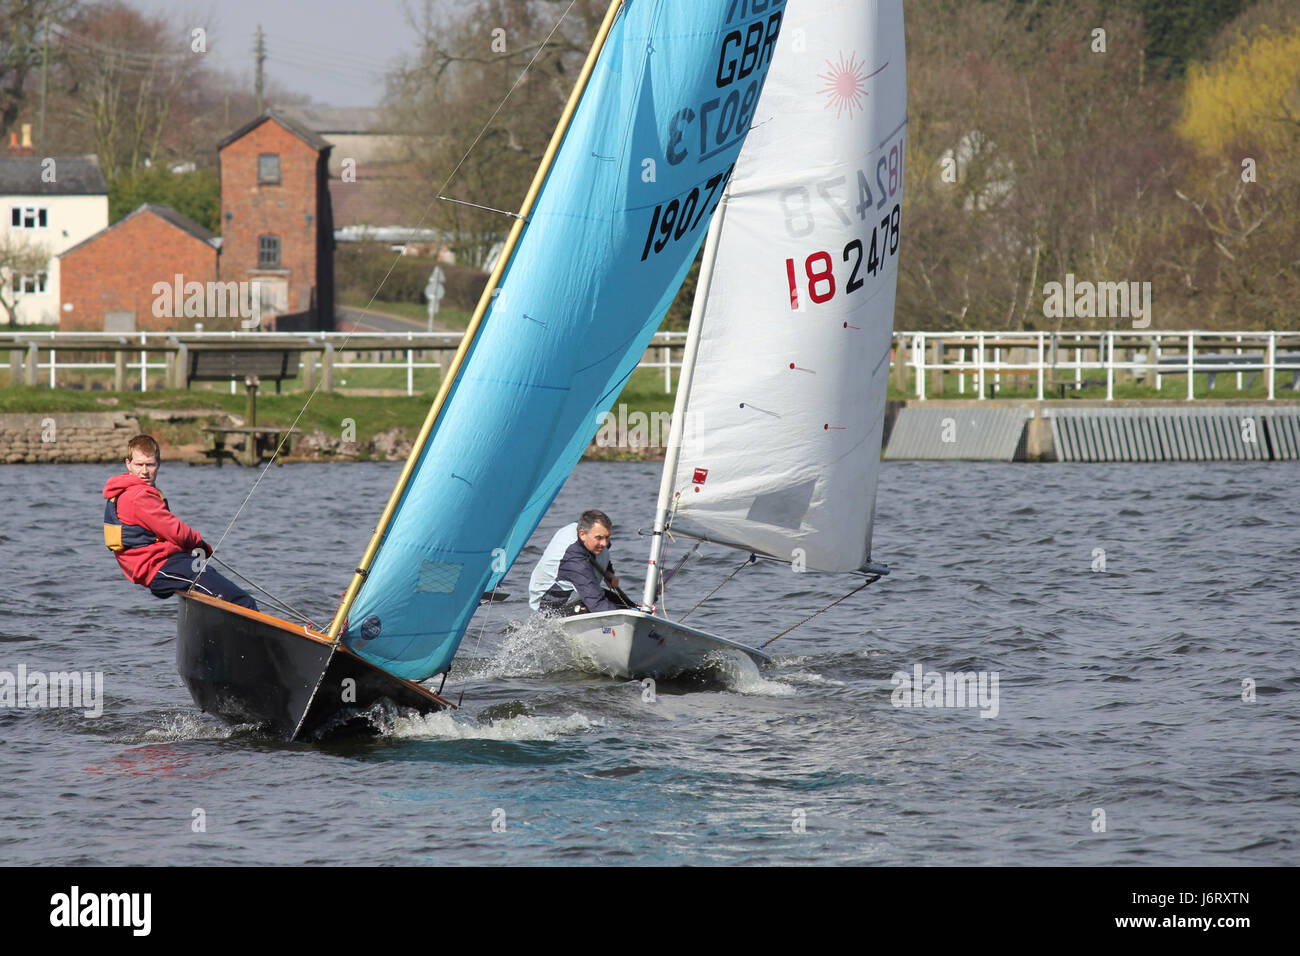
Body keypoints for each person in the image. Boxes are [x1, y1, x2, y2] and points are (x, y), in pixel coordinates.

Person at [103, 434, 256, 609]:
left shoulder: (128, 490)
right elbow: (174, 530)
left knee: (212, 580)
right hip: (157, 567)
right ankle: (261, 635)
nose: (144, 471)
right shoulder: (138, 496)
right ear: (128, 464)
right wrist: (201, 544)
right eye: (139, 465)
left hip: (165, 563)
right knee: (241, 601)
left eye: (150, 464)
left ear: (158, 464)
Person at [532, 510, 633, 615]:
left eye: (607, 537)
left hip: (578, 589)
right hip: (550, 604)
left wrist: (608, 572)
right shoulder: (575, 562)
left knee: (627, 605)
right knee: (608, 608)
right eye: (599, 538)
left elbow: (603, 548)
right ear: (582, 534)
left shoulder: (589, 530)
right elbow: (597, 605)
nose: (604, 543)